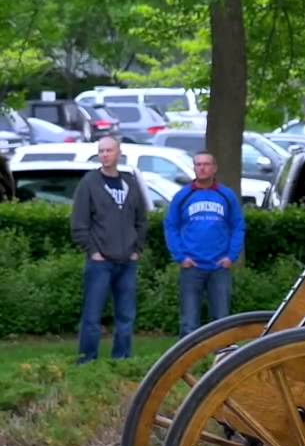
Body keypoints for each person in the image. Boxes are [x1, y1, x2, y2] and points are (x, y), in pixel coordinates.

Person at [70, 135, 148, 363]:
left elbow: (142, 220)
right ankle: (87, 361)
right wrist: (93, 250)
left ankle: (121, 360)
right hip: (100, 262)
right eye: (101, 151)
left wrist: (137, 249)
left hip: (127, 262)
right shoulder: (90, 182)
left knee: (126, 316)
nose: (104, 155)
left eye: (109, 150)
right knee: (92, 316)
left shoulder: (130, 183)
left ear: (118, 153)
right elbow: (79, 223)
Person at [163, 151, 245, 337]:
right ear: (194, 168)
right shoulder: (183, 196)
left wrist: (231, 256)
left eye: (206, 164)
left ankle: (222, 357)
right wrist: (181, 256)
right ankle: (187, 360)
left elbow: (238, 227)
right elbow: (170, 226)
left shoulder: (226, 195)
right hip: (192, 266)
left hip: (219, 266)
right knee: (189, 321)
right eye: (198, 164)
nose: (202, 168)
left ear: (214, 168)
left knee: (221, 319)